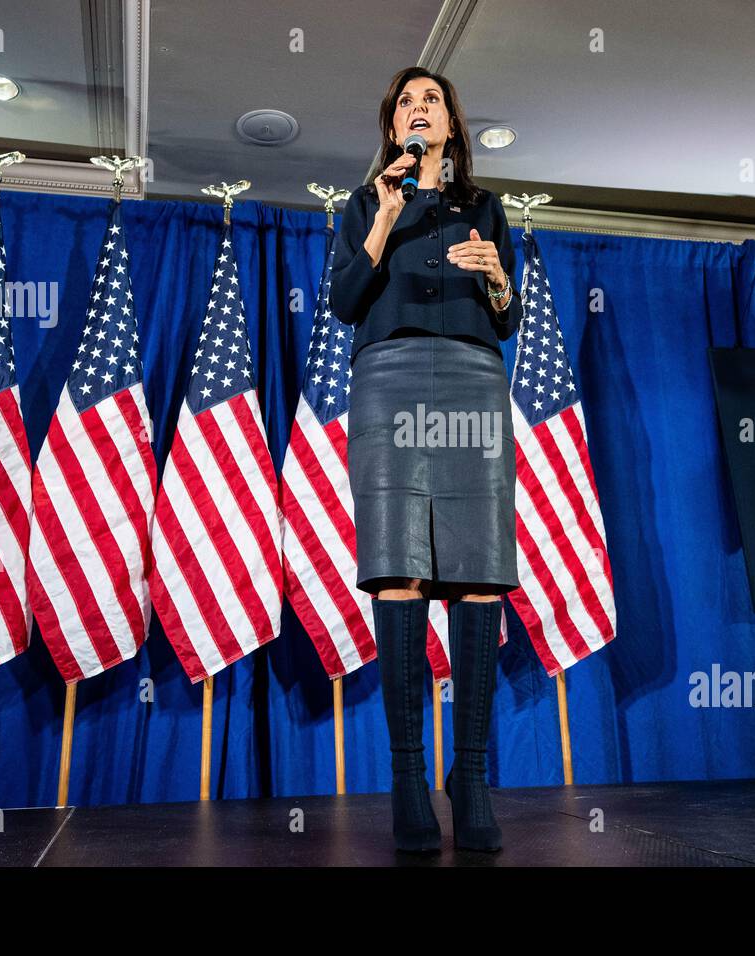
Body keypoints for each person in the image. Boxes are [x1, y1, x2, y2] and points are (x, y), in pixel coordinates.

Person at [328, 66, 523, 853]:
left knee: (480, 575)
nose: (418, 109)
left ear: (451, 124)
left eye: (430, 100)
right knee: (400, 569)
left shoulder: (485, 208)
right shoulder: (365, 202)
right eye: (405, 102)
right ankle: (409, 773)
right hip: (391, 379)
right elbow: (344, 302)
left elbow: (506, 322)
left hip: (473, 380)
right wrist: (385, 213)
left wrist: (500, 279)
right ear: (393, 126)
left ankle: (469, 774)